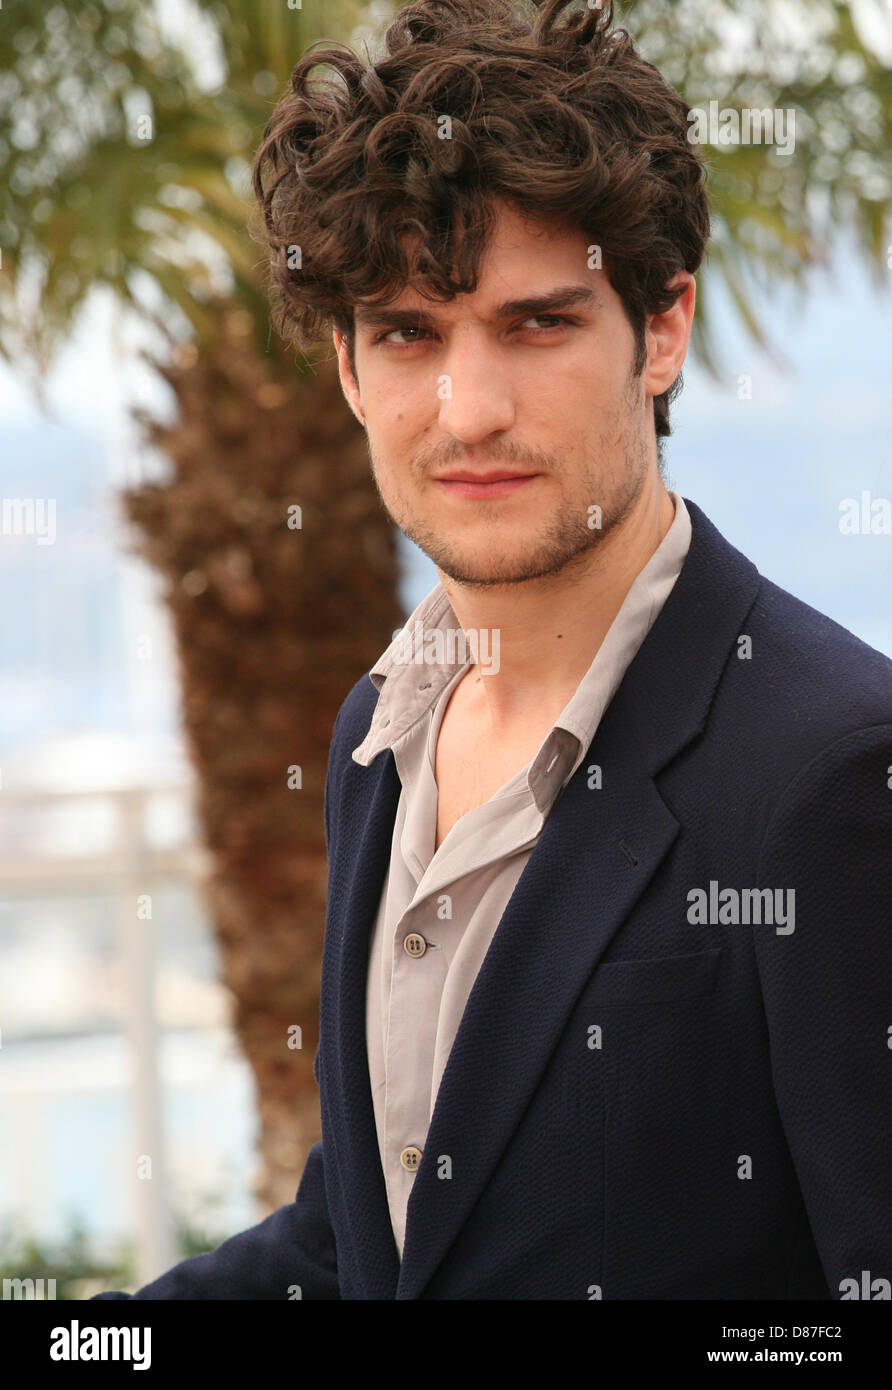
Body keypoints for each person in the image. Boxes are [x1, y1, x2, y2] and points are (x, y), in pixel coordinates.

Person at [94, 0, 892, 1300]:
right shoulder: (380, 733)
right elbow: (367, 1237)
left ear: (664, 327)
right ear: (349, 369)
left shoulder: (838, 773)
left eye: (537, 323)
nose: (470, 410)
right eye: (410, 332)